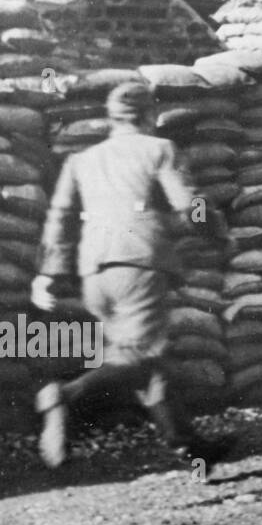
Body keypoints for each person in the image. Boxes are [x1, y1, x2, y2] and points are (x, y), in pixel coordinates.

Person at [31, 82, 232, 469]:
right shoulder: (159, 149)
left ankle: (190, 447)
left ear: (110, 119)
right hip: (139, 264)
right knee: (140, 353)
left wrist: (48, 275)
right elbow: (190, 206)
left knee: (145, 357)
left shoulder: (83, 159)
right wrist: (218, 233)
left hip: (94, 272)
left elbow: (58, 218)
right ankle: (64, 395)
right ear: (149, 115)